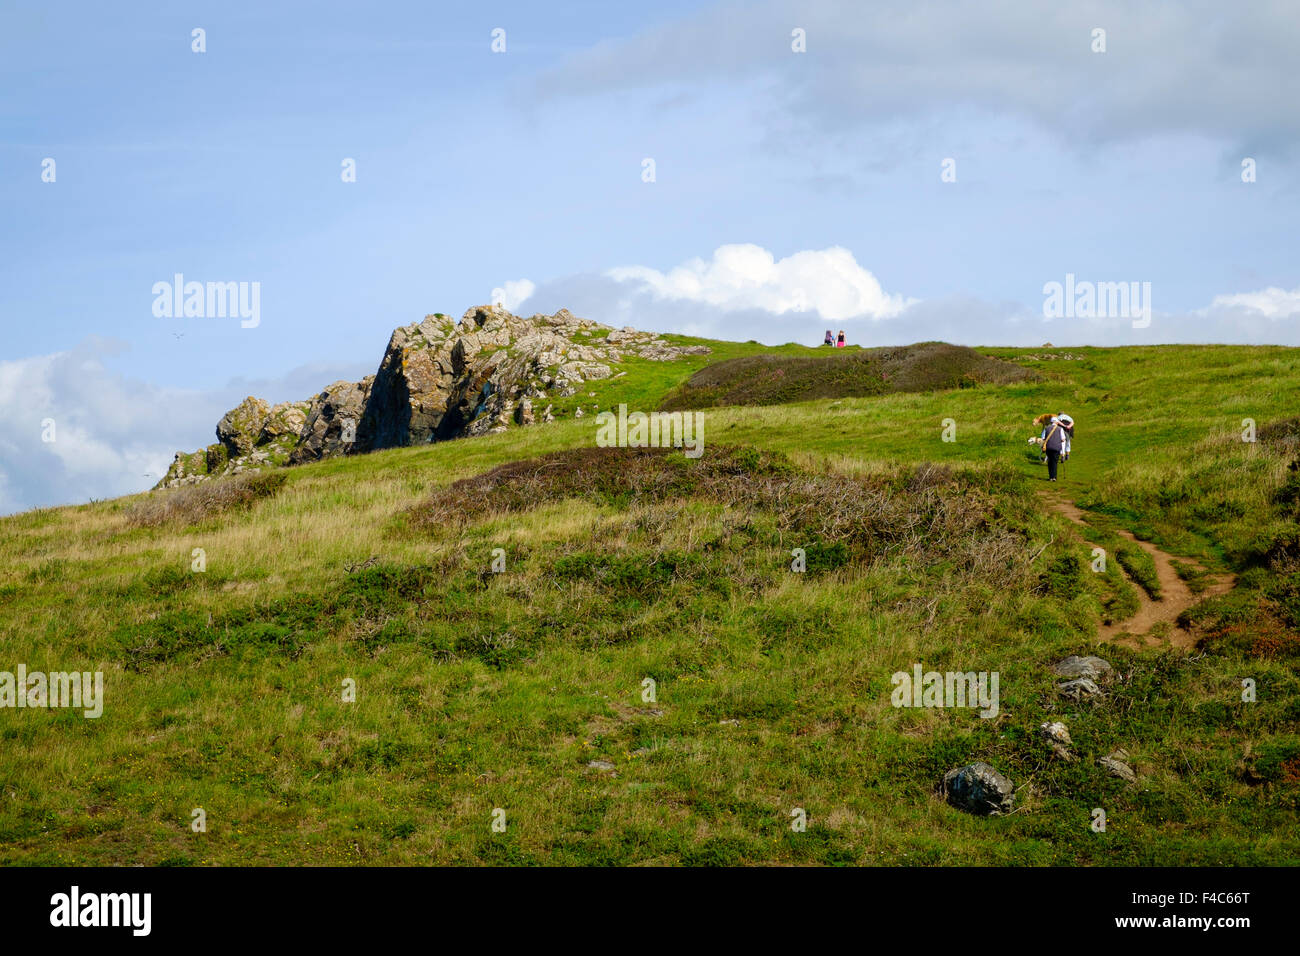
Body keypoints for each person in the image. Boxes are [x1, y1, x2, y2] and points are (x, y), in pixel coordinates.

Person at [1041, 415, 1067, 482]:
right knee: (1055, 462)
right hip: (1057, 448)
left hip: (1048, 447)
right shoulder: (1060, 429)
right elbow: (1063, 439)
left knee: (1049, 462)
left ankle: (1050, 477)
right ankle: (1054, 477)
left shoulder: (1046, 428)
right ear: (1056, 422)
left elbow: (1043, 438)